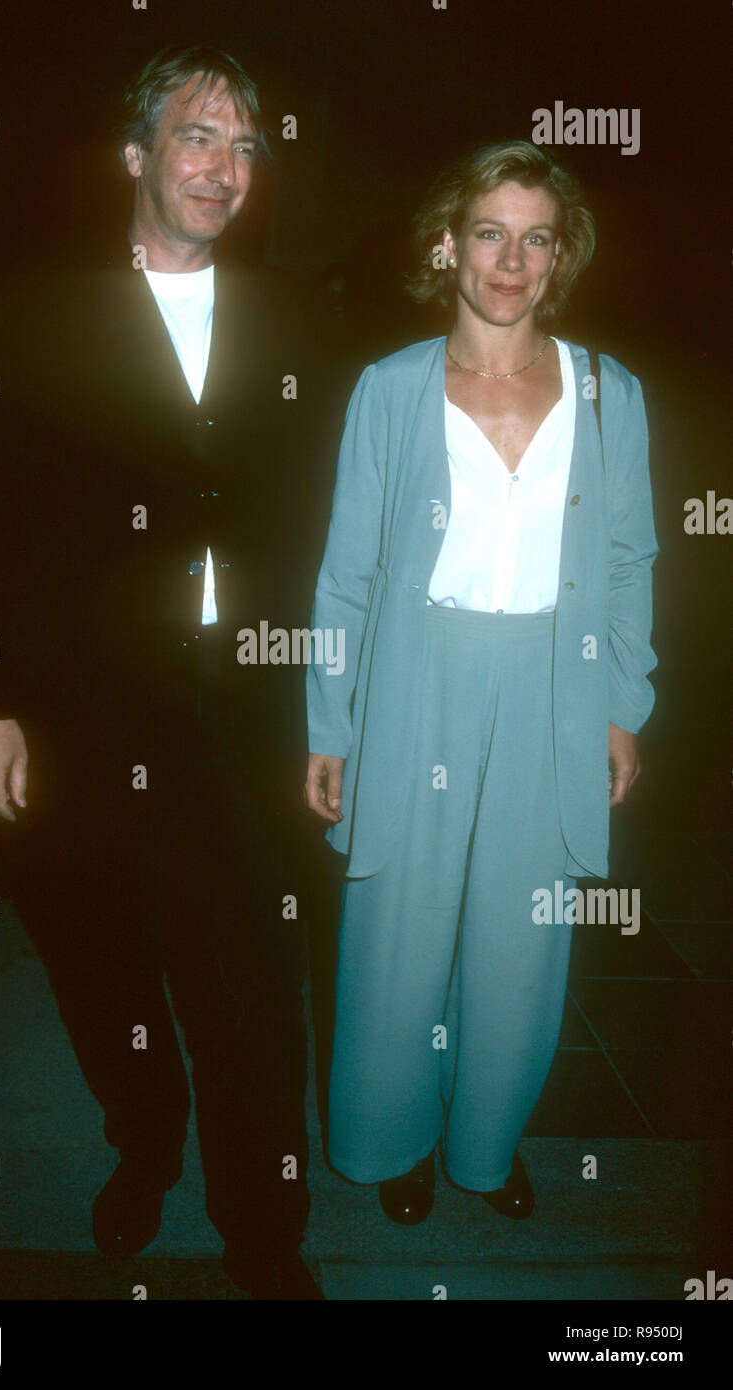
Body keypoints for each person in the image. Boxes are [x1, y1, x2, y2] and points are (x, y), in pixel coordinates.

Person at [0, 45, 334, 1298]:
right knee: (100, 964)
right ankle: (145, 1137)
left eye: (245, 146)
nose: (224, 167)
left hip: (248, 705)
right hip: (83, 710)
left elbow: (348, 522)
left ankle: (263, 1232)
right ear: (135, 154)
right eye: (196, 136)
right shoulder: (36, 316)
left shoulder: (297, 319)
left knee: (252, 990)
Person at [305, 140, 658, 1224]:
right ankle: (392, 1138)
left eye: (535, 239)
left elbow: (627, 560)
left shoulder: (607, 392)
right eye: (490, 233)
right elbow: (347, 572)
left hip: (554, 688)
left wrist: (622, 705)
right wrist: (330, 723)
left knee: (521, 940)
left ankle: (486, 1143)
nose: (510, 261)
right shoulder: (389, 389)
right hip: (415, 684)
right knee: (396, 930)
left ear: (560, 257)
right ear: (445, 244)